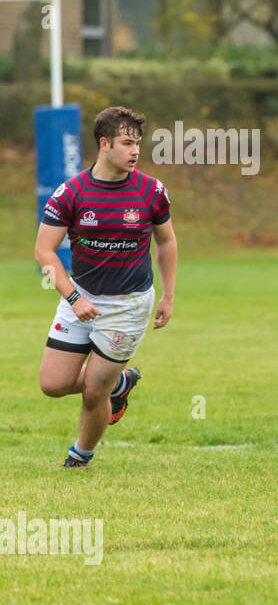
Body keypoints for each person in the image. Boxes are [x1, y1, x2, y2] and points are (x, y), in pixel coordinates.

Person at [35, 106, 177, 468]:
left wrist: (168, 294)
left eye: (138, 144)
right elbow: (44, 253)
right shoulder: (72, 193)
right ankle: (120, 384)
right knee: (52, 384)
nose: (135, 151)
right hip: (79, 299)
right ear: (104, 143)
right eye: (127, 143)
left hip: (128, 305)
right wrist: (74, 297)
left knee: (94, 390)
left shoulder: (151, 191)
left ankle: (80, 456)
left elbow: (166, 243)